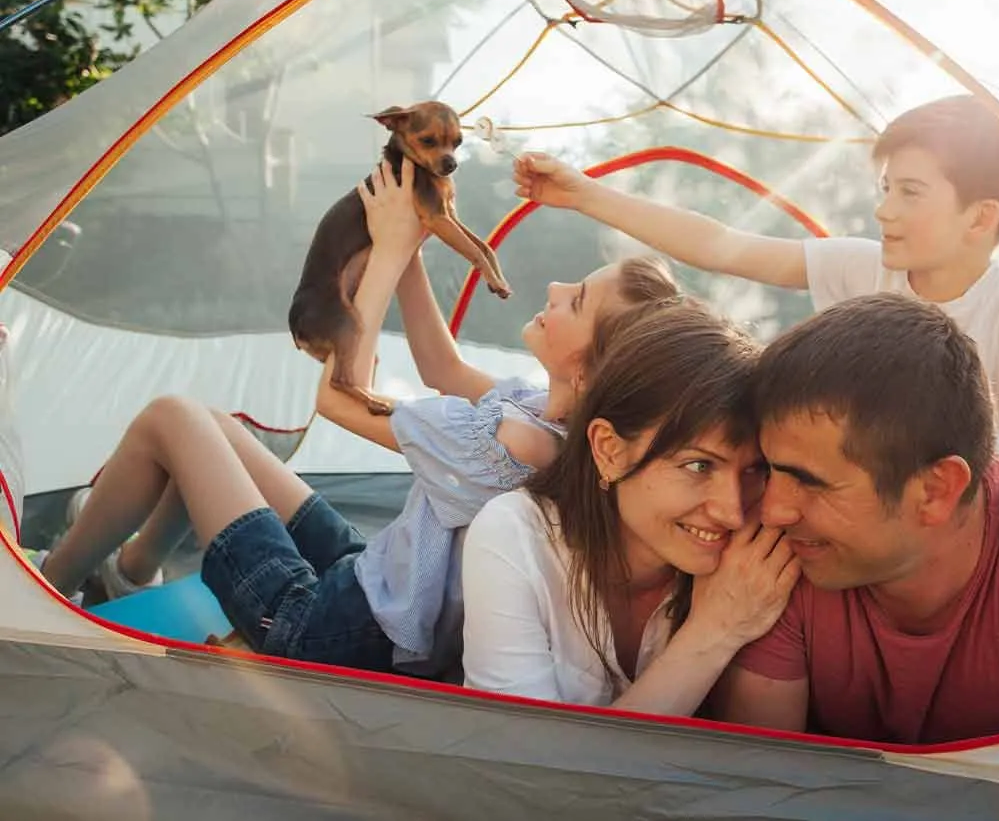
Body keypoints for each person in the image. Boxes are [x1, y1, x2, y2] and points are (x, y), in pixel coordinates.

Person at [32, 159, 679, 676]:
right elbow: (442, 369)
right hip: (380, 584)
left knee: (173, 418)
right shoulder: (551, 424)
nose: (556, 290)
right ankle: (128, 571)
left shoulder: (513, 445)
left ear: (592, 372)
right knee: (214, 428)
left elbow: (340, 397)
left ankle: (47, 591)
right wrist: (410, 252)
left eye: (579, 300)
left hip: (325, 632)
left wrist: (391, 246)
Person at [511, 94, 999, 561]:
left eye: (910, 192)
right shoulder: (861, 265)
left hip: (952, 534)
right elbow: (722, 245)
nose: (884, 209)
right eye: (885, 188)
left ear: (980, 216)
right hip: (839, 516)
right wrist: (587, 195)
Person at [710, 293, 999, 744]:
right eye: (769, 469)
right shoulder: (782, 553)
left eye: (809, 481)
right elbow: (764, 783)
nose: (772, 510)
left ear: (936, 490)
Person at [461, 300, 800, 712]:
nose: (732, 511)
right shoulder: (515, 539)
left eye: (754, 470)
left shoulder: (758, 560)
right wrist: (715, 631)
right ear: (609, 450)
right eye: (698, 465)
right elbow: (530, 763)